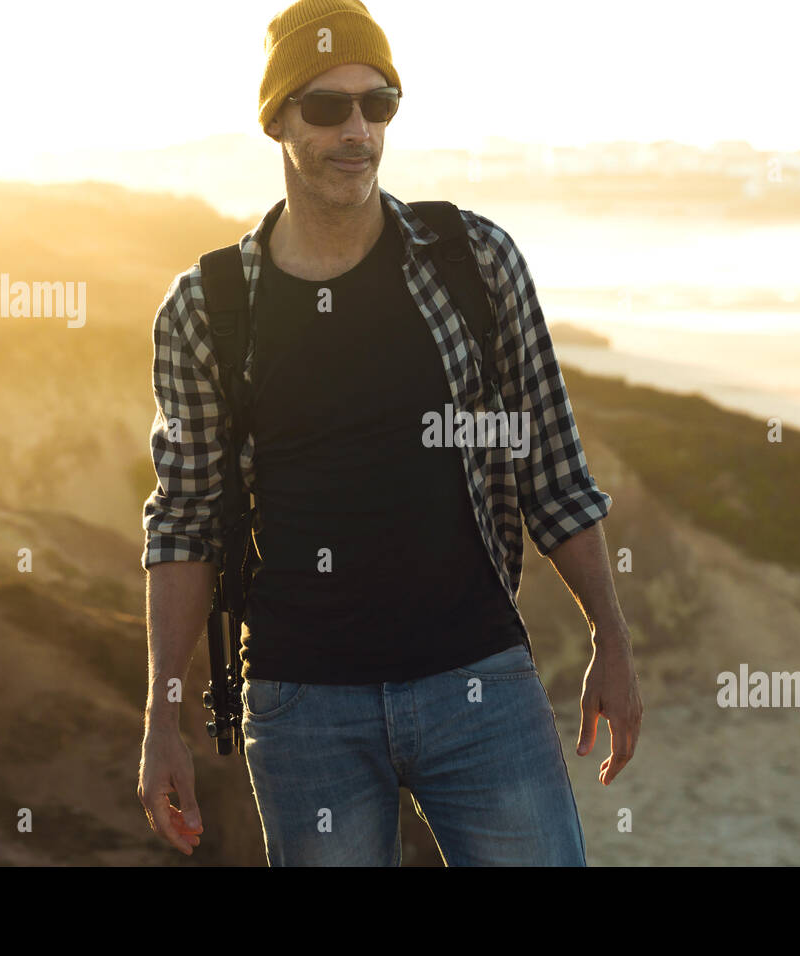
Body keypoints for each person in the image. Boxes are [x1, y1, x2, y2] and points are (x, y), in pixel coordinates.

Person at [137, 0, 641, 866]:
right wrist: (160, 721)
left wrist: (613, 642)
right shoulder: (208, 309)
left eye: (379, 103)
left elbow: (552, 469)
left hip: (480, 680)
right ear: (277, 121)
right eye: (326, 107)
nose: (357, 129)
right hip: (303, 709)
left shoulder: (475, 261)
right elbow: (184, 521)